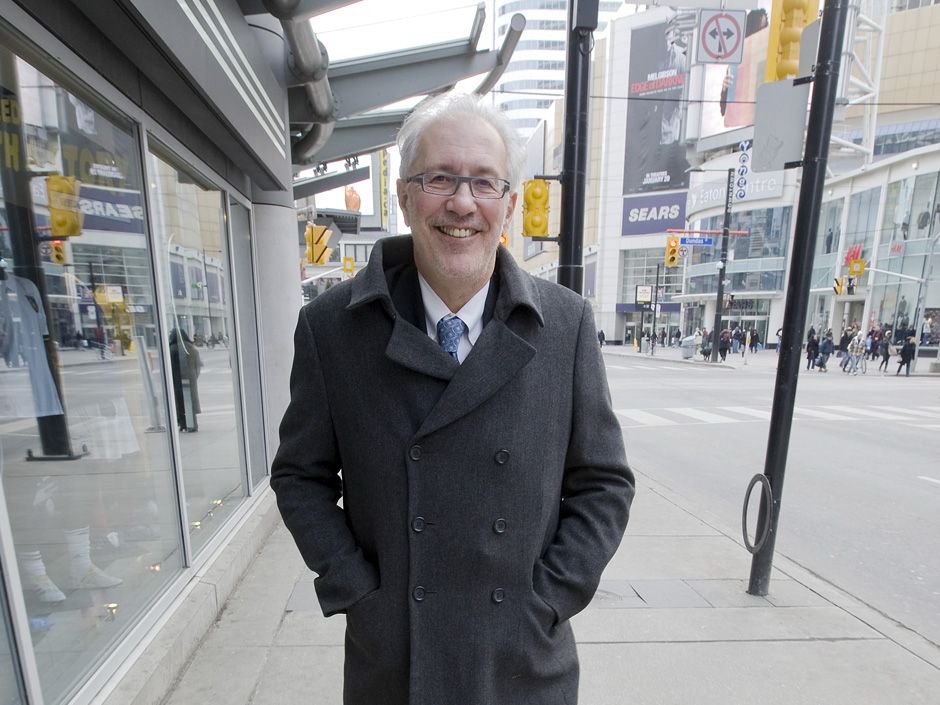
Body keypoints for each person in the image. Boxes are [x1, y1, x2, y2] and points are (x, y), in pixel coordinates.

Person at [270, 92, 635, 705]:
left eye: (484, 183)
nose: (462, 203)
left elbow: (604, 481)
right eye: (439, 178)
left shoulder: (565, 323)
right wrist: (360, 592)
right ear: (406, 196)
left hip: (521, 662)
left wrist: (550, 597)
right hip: (396, 663)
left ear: (509, 205)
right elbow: (299, 476)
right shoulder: (332, 328)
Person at [168, 328, 202, 432]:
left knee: (179, 402)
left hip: (177, 379)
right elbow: (198, 366)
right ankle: (193, 424)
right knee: (190, 401)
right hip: (191, 378)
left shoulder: (172, 349)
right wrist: (194, 376)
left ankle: (183, 424)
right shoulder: (192, 348)